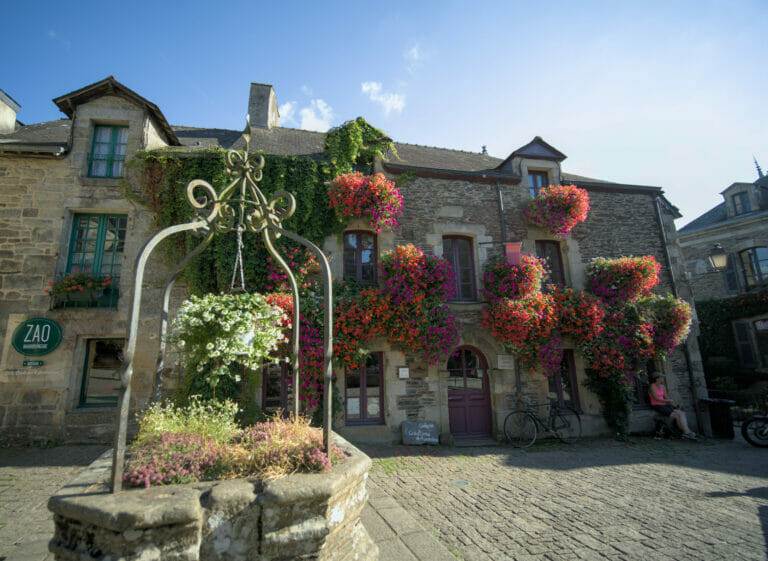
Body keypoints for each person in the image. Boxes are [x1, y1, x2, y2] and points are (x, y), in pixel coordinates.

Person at [648, 372, 696, 439]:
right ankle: (687, 432)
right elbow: (656, 399)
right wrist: (668, 401)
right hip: (657, 405)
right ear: (657, 378)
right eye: (661, 377)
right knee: (676, 415)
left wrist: (675, 406)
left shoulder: (662, 386)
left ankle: (686, 432)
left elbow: (667, 397)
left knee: (681, 413)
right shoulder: (652, 386)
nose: (663, 379)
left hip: (664, 405)